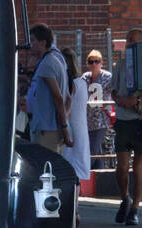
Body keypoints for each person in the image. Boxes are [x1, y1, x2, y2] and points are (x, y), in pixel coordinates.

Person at [111, 25, 142, 225]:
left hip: (141, 119)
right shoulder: (121, 65)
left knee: (138, 166)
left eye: (134, 40)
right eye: (128, 40)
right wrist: (118, 99)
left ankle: (135, 209)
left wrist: (136, 102)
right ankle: (125, 198)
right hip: (124, 119)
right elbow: (114, 90)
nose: (130, 44)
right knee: (122, 165)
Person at [24, 24, 72, 154]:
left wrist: (64, 127)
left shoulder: (47, 64)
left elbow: (59, 97)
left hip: (47, 131)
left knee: (46, 170)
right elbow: (67, 97)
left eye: (33, 40)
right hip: (46, 128)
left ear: (43, 42)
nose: (30, 44)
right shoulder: (48, 62)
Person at [62, 47, 90, 186]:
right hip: (81, 127)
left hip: (70, 127)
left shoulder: (68, 83)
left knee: (67, 166)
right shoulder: (82, 82)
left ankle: (72, 204)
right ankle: (76, 205)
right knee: (77, 171)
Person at [83, 49, 113, 164]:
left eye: (96, 61)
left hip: (101, 120)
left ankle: (90, 173)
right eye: (91, 62)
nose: (94, 64)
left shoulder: (107, 77)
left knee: (94, 149)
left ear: (101, 63)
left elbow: (114, 92)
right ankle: (99, 174)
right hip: (87, 119)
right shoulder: (85, 77)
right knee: (96, 149)